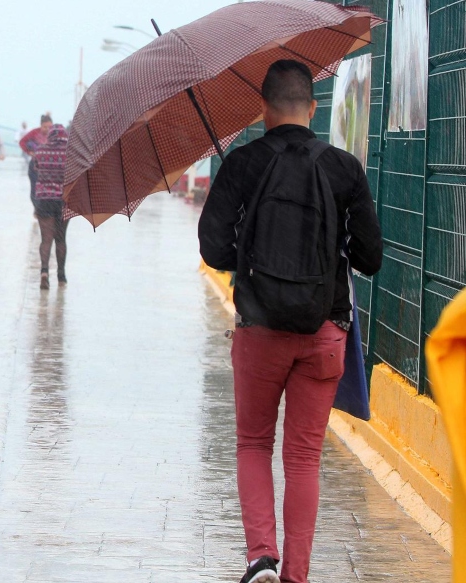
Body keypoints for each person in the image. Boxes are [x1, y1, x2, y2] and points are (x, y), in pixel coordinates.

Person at [198, 60, 383, 583]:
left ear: (263, 109)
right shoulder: (343, 167)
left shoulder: (241, 163)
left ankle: (261, 556)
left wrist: (254, 258)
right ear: (313, 108)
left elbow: (213, 247)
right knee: (304, 456)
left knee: (254, 442)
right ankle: (295, 575)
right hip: (324, 333)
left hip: (259, 330)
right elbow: (371, 259)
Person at [31, 124, 70, 290]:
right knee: (61, 239)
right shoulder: (71, 153)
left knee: (46, 239)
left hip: (44, 199)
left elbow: (36, 169)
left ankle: (44, 272)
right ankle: (61, 275)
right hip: (64, 200)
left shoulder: (40, 150)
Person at [19, 114, 53, 204]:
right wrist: (29, 152)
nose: (47, 129)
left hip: (50, 168)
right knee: (34, 190)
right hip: (35, 165)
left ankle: (44, 211)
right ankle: (37, 210)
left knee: (47, 191)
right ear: (40, 126)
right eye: (44, 127)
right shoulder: (35, 132)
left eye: (49, 127)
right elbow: (22, 142)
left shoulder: (55, 134)